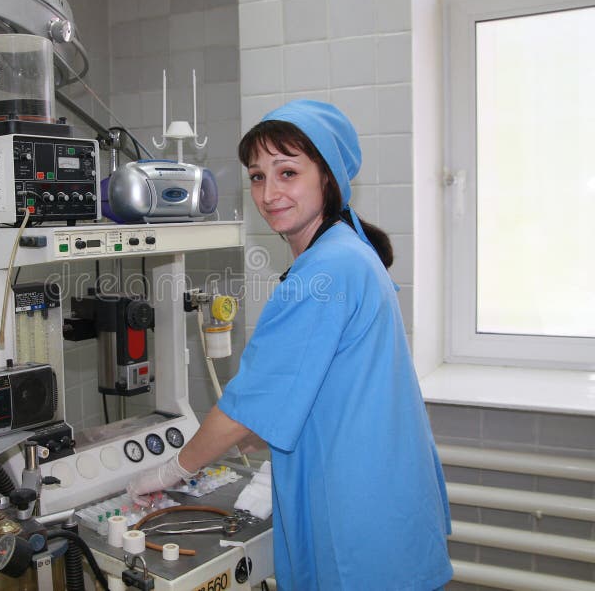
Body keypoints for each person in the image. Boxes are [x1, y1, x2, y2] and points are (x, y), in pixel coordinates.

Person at [127, 100, 453, 590]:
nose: (270, 192)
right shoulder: (346, 252)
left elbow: (246, 404)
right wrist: (257, 436)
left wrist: (171, 470)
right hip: (385, 498)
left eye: (287, 172)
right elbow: (322, 387)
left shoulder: (326, 271)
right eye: (258, 176)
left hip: (357, 515)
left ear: (328, 178)